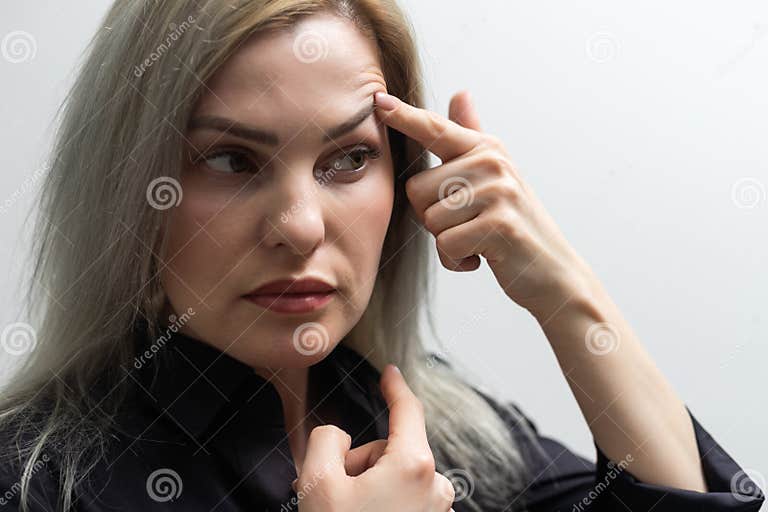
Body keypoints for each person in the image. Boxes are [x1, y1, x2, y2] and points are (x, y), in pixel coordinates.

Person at [0, 1, 763, 511]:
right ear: (131, 187)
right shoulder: (33, 483)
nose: (299, 228)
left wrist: (567, 295)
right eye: (232, 161)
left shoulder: (458, 437)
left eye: (348, 159)